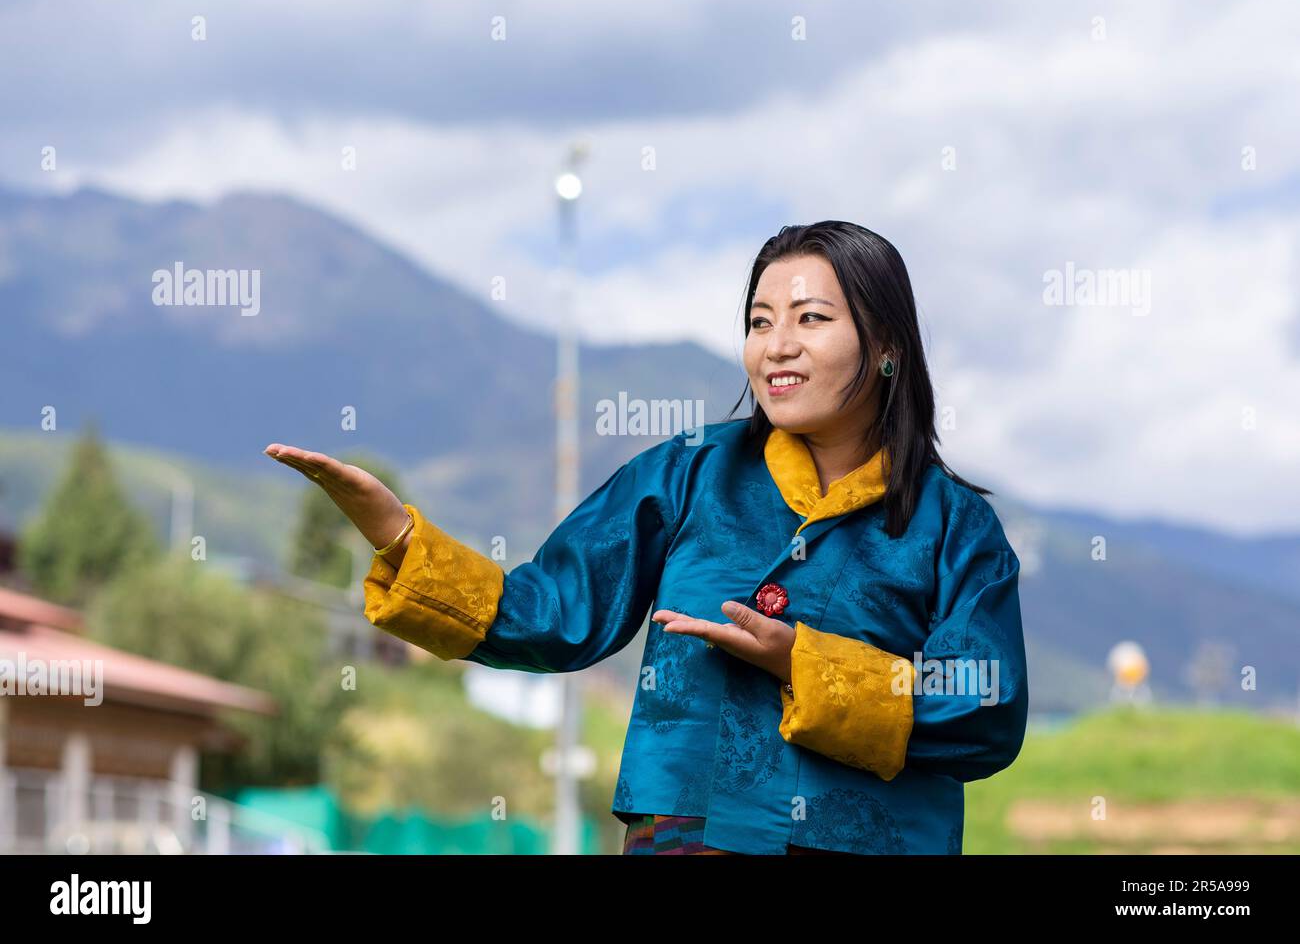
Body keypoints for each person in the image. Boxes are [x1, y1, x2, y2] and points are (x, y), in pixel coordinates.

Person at [264, 220, 1029, 855]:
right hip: (685, 834)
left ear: (887, 345)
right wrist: (398, 536)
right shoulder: (686, 473)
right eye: (759, 322)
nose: (776, 345)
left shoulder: (958, 527)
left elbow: (984, 708)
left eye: (810, 319)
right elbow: (552, 612)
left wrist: (804, 663)